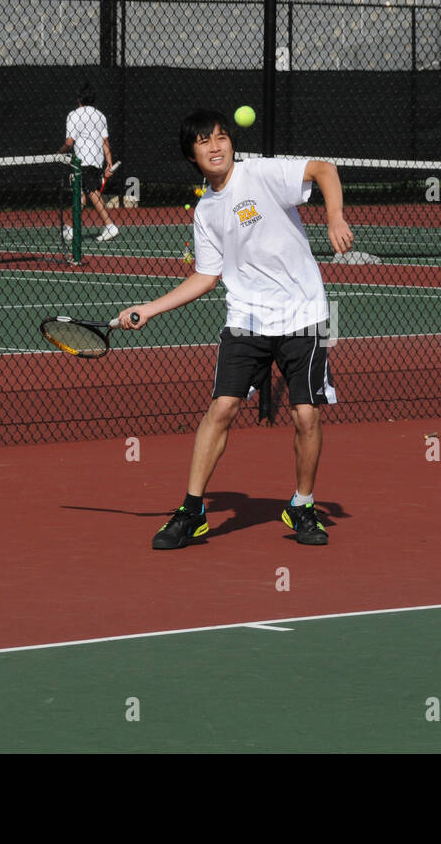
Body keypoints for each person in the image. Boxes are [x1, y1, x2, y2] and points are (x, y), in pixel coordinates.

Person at [118, 109, 354, 550]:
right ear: (192, 154)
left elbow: (325, 169)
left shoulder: (261, 174)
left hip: (302, 312)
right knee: (222, 408)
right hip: (245, 317)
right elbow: (206, 277)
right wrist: (150, 309)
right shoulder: (205, 211)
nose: (216, 146)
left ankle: (303, 505)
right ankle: (192, 512)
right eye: (205, 141)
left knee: (306, 415)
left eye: (222, 137)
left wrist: (335, 217)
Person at [57, 84, 118, 242]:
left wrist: (58, 153)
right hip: (97, 161)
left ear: (78, 99)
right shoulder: (100, 115)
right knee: (81, 194)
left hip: (82, 161)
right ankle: (71, 228)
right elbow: (105, 142)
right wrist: (109, 163)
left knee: (91, 192)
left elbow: (69, 142)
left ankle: (110, 225)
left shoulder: (73, 115)